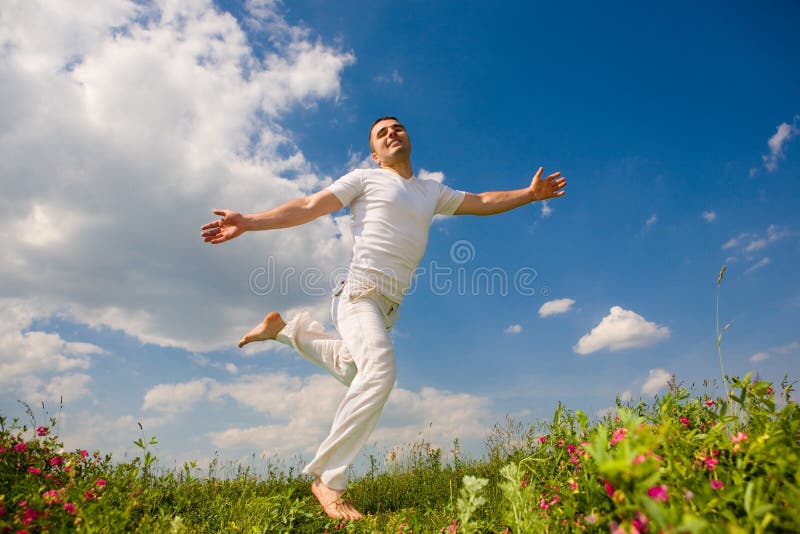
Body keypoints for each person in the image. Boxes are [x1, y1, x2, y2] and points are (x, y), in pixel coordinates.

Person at [200, 117, 567, 520]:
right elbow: (308, 207)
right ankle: (328, 479)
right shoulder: (364, 180)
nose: (392, 133)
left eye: (398, 128)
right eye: (382, 133)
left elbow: (480, 202)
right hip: (358, 293)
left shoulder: (431, 191)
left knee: (352, 369)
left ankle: (286, 330)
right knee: (379, 372)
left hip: (388, 306)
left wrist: (529, 195)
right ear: (375, 155)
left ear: (409, 138)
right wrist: (249, 221)